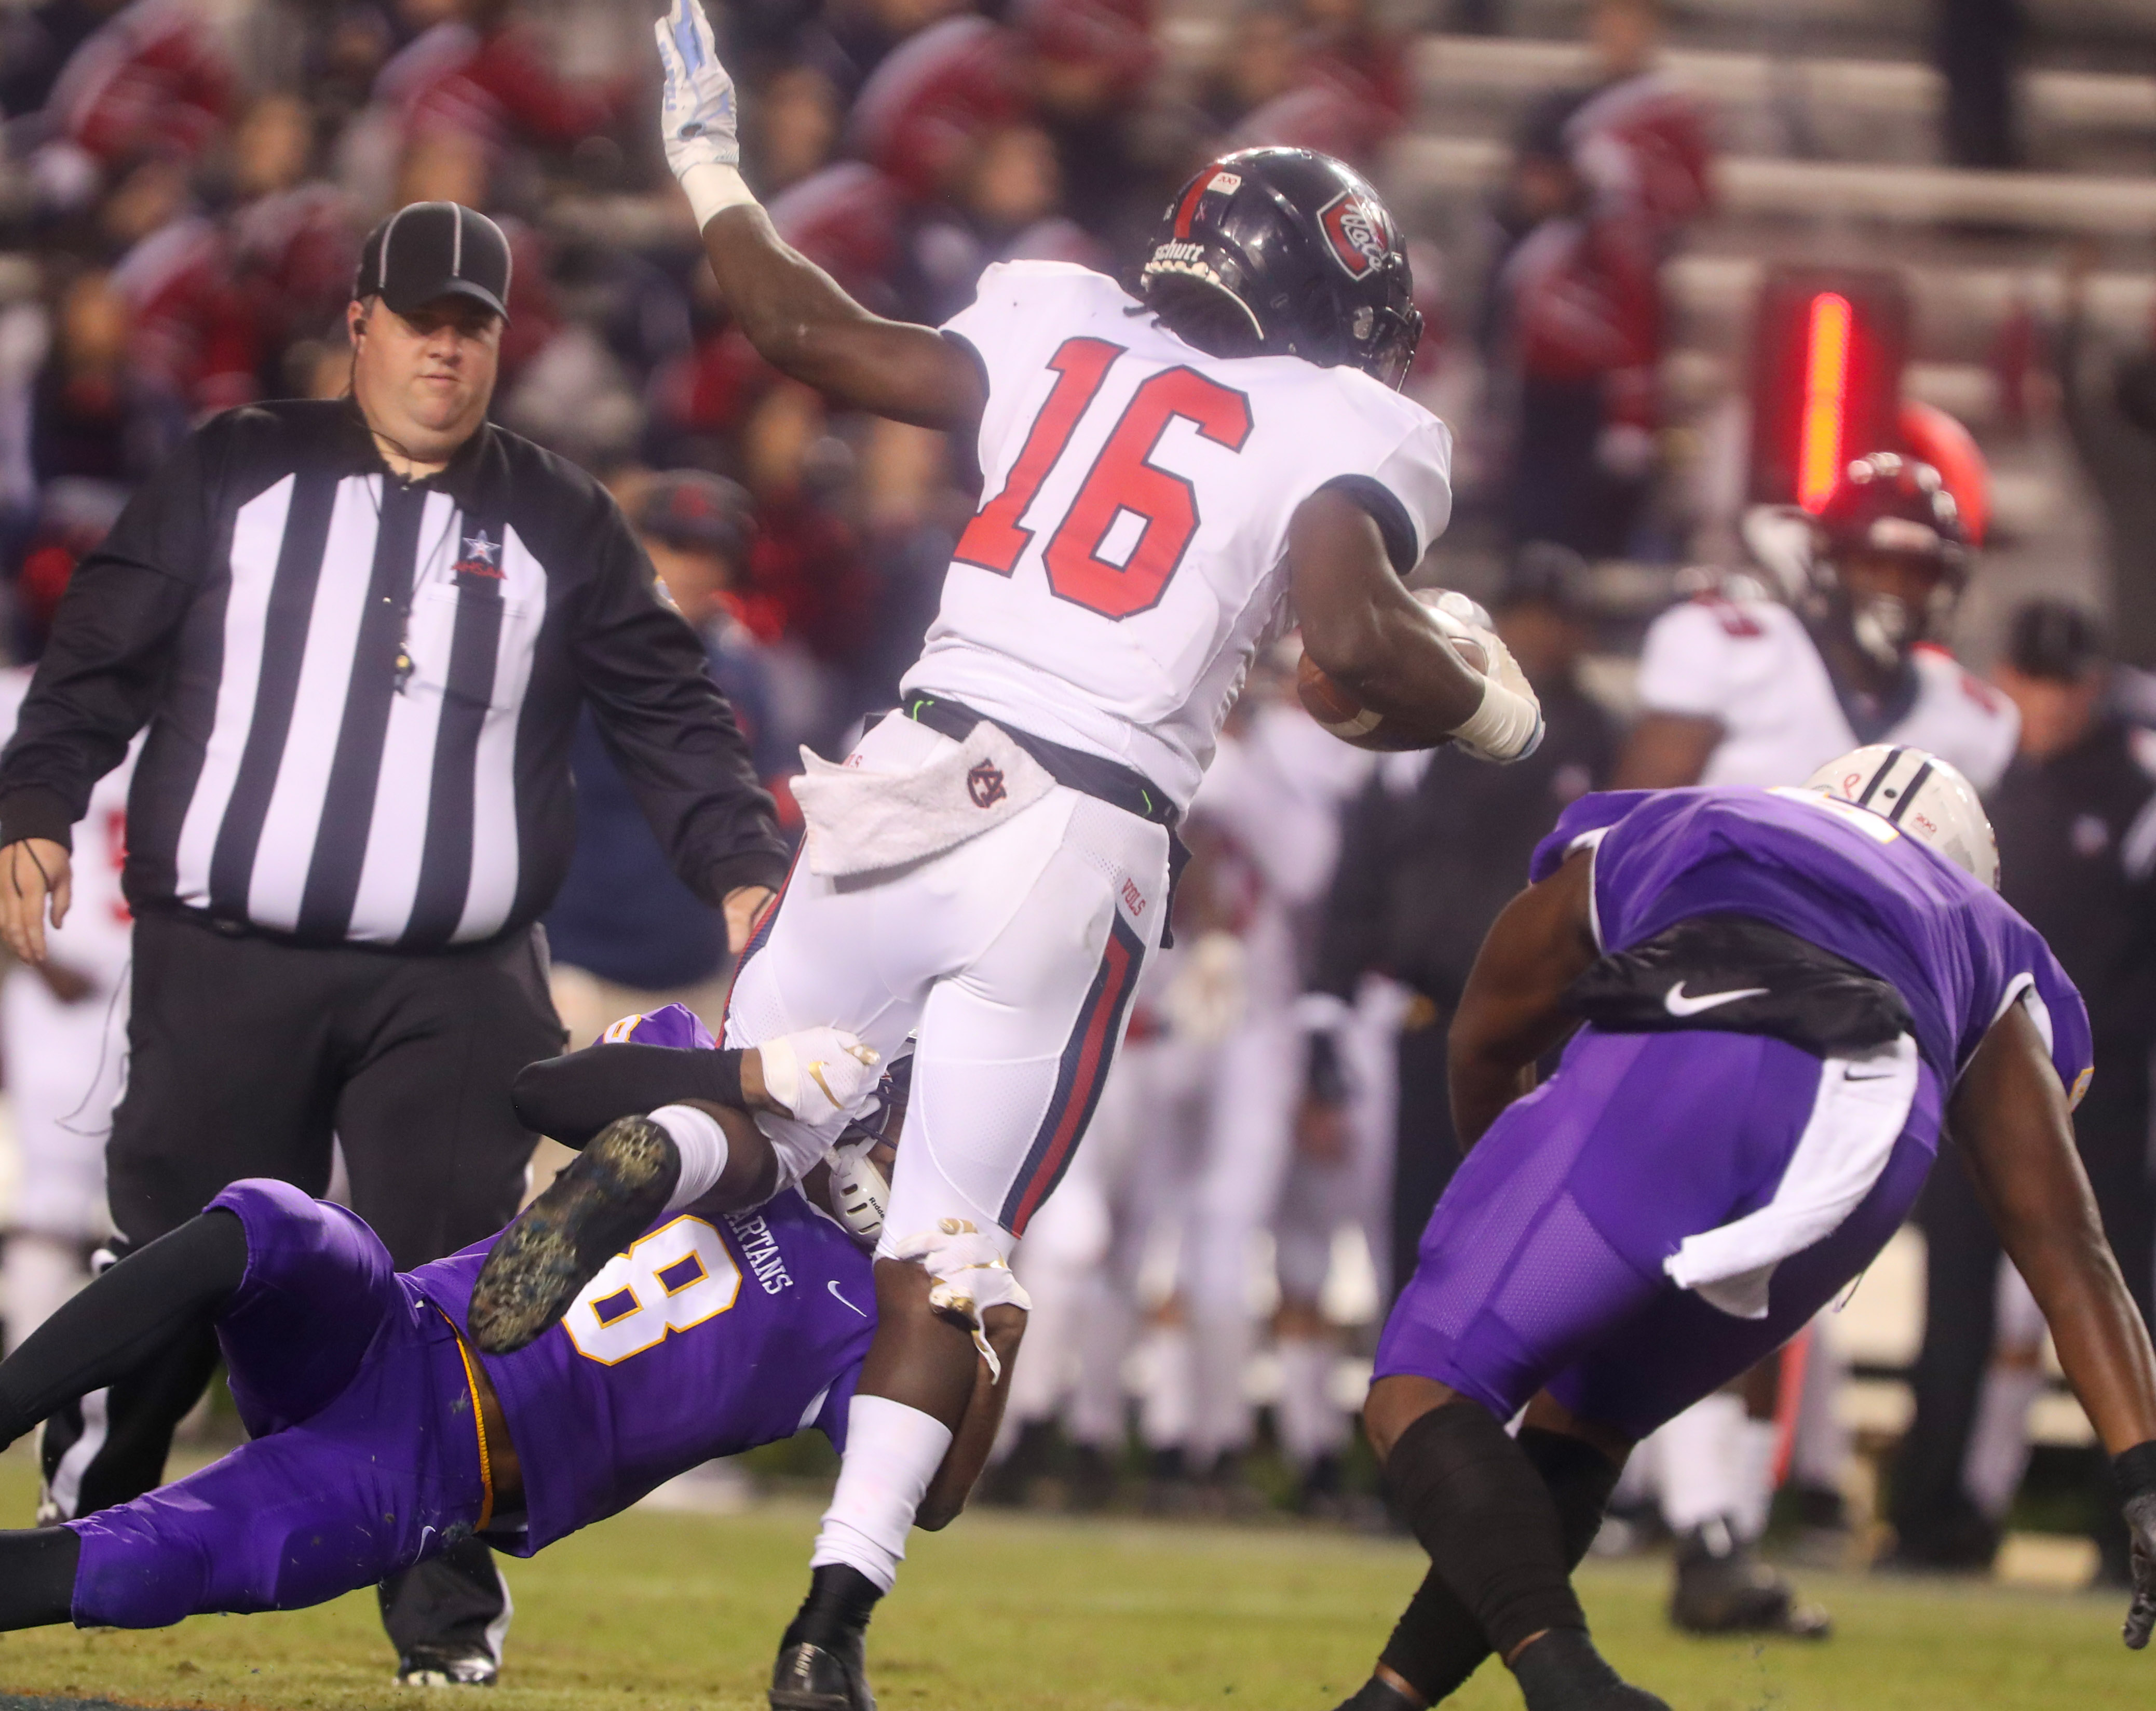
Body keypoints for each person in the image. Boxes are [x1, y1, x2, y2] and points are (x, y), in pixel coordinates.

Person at [472, 9, 1548, 1710]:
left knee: (772, 1109)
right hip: (1078, 824)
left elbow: (796, 328)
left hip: (908, 765)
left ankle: (654, 1161)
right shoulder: (1335, 419)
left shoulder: (1055, 324)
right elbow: (1352, 628)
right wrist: (1488, 703)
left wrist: (705, 149)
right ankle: (827, 1626)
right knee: (946, 1244)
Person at [0, 199, 789, 1684]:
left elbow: (668, 704)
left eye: (472, 322)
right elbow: (104, 637)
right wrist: (33, 793)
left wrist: (741, 860)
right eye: (418, 315)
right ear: (357, 320)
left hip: (459, 970)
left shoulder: (560, 516)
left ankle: (444, 1617)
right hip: (231, 951)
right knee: (173, 1254)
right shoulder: (236, 467)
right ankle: (76, 1521)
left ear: (503, 341)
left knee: (462, 1286)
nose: (443, 344)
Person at [1327, 747, 2156, 1711]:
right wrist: (2141, 1474)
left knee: (1422, 1389)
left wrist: (1520, 1239)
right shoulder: (1980, 932)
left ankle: (1579, 1688)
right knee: (1582, 1419)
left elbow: (1487, 1031)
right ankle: (1386, 1701)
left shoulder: (1695, 816)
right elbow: (2067, 1250)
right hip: (1871, 1137)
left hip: (1691, 1043)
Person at [0, 1011, 1014, 1636]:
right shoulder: (745, 1125)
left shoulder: (882, 1317)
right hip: (397, 1329)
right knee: (270, 1219)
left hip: (426, 1478)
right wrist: (745, 1074)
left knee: (143, 1564)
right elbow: (545, 1090)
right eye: (895, 1135)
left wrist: (993, 1346)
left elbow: (923, 1499)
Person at [1611, 449, 2017, 1630]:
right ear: (1830, 558)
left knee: (1771, 1286)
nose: (1903, 585)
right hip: (1704, 995)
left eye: (1923, 565)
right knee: (1712, 1263)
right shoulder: (1737, 649)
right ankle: (1690, 1526)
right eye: (1883, 555)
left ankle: (1712, 1534)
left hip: (1854, 1030)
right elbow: (1633, 820)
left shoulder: (1964, 714)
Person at [1889, 601, 2156, 1580]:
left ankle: (2120, 1531)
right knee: (1953, 1310)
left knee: (2114, 1299)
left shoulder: (2136, 792)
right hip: (1976, 1081)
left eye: (2063, 684)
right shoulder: (1971, 785)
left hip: (2105, 1093)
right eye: (2030, 682)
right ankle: (1932, 1524)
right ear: (2005, 678)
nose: (2045, 705)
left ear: (2092, 685)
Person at [1306, 543, 1619, 1305]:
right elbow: (1359, 883)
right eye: (1527, 615)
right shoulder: (1426, 727)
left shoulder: (1602, 737)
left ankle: (1510, 1408)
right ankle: (1409, 1400)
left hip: (1556, 1025)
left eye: (1557, 618)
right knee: (1420, 1222)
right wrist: (1323, 1017)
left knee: (1541, 1231)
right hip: (1428, 1014)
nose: (1542, 633)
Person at [546, 470, 782, 1048]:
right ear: (637, 545)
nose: (696, 568)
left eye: (714, 552)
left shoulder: (740, 668)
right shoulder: (569, 646)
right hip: (575, 968)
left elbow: (764, 807)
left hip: (693, 978)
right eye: (678, 544)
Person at [0, 664, 133, 1349]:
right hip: (63, 977)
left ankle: (151, 1399)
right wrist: (35, 956)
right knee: (52, 1196)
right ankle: (22, 1388)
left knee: (173, 1197)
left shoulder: (210, 677)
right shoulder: (16, 698)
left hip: (177, 980)